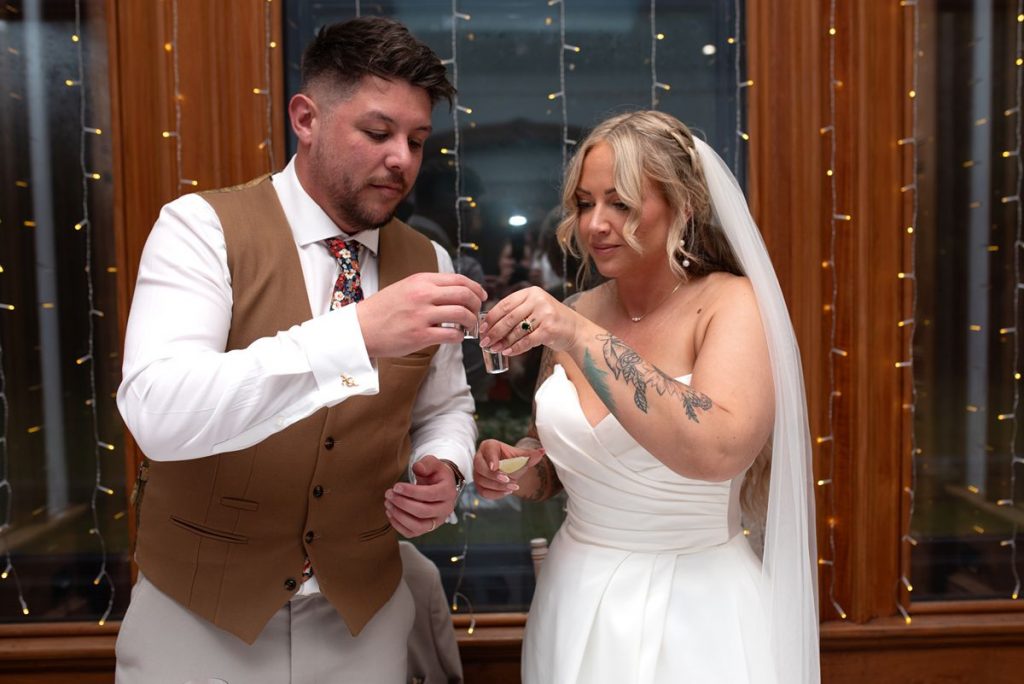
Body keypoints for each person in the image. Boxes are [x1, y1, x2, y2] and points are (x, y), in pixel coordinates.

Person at [114, 17, 485, 684]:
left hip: (363, 617)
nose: (401, 157)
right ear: (306, 118)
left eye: (417, 140)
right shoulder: (200, 229)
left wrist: (445, 465)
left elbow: (445, 403)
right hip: (199, 617)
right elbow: (159, 416)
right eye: (377, 132)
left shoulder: (425, 257)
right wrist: (356, 333)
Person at [473, 111, 820, 683]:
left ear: (681, 205)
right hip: (573, 595)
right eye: (585, 204)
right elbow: (555, 468)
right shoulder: (579, 309)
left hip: (696, 611)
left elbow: (719, 450)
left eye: (622, 203)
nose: (596, 225)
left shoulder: (729, 304)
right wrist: (513, 467)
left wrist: (581, 337)